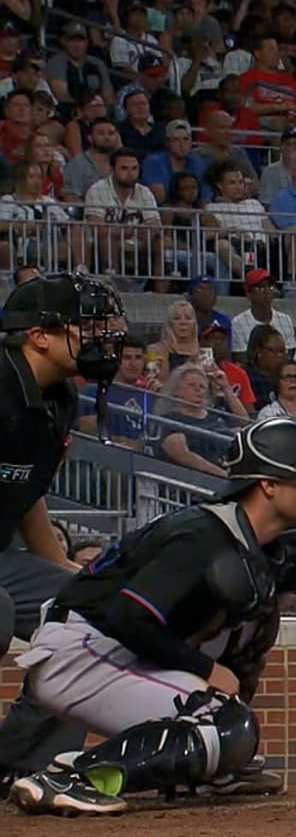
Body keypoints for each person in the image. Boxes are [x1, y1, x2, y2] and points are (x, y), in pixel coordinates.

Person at [6, 417, 296, 814]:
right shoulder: (201, 535)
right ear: (268, 484)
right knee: (227, 725)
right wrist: (203, 669)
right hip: (79, 649)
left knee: (257, 621)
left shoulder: (277, 545)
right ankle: (75, 776)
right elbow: (127, 617)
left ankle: (216, 764)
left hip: (123, 648)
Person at [0, 274, 124, 790]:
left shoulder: (59, 399)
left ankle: (23, 767)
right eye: (83, 325)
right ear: (38, 336)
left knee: (90, 610)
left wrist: (66, 574)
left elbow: (27, 493)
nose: (99, 338)